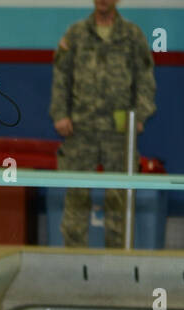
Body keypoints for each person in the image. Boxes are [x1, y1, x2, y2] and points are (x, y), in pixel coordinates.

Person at [50, 0, 155, 247]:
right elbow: (61, 76)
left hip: (118, 133)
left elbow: (145, 79)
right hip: (80, 129)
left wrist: (139, 116)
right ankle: (75, 266)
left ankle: (117, 267)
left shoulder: (132, 35)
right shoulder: (75, 33)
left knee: (118, 201)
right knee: (76, 199)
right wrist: (60, 114)